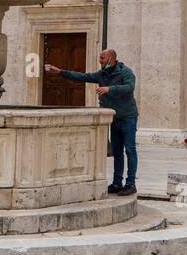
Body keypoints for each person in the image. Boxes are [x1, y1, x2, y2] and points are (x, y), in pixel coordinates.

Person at [44, 48, 138, 195]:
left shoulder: (125, 72)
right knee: (117, 152)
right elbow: (82, 76)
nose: (99, 60)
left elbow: (129, 87)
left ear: (111, 59)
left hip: (128, 117)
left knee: (130, 150)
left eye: (102, 58)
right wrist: (60, 72)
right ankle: (117, 183)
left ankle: (131, 184)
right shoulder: (102, 74)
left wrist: (109, 89)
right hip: (113, 118)